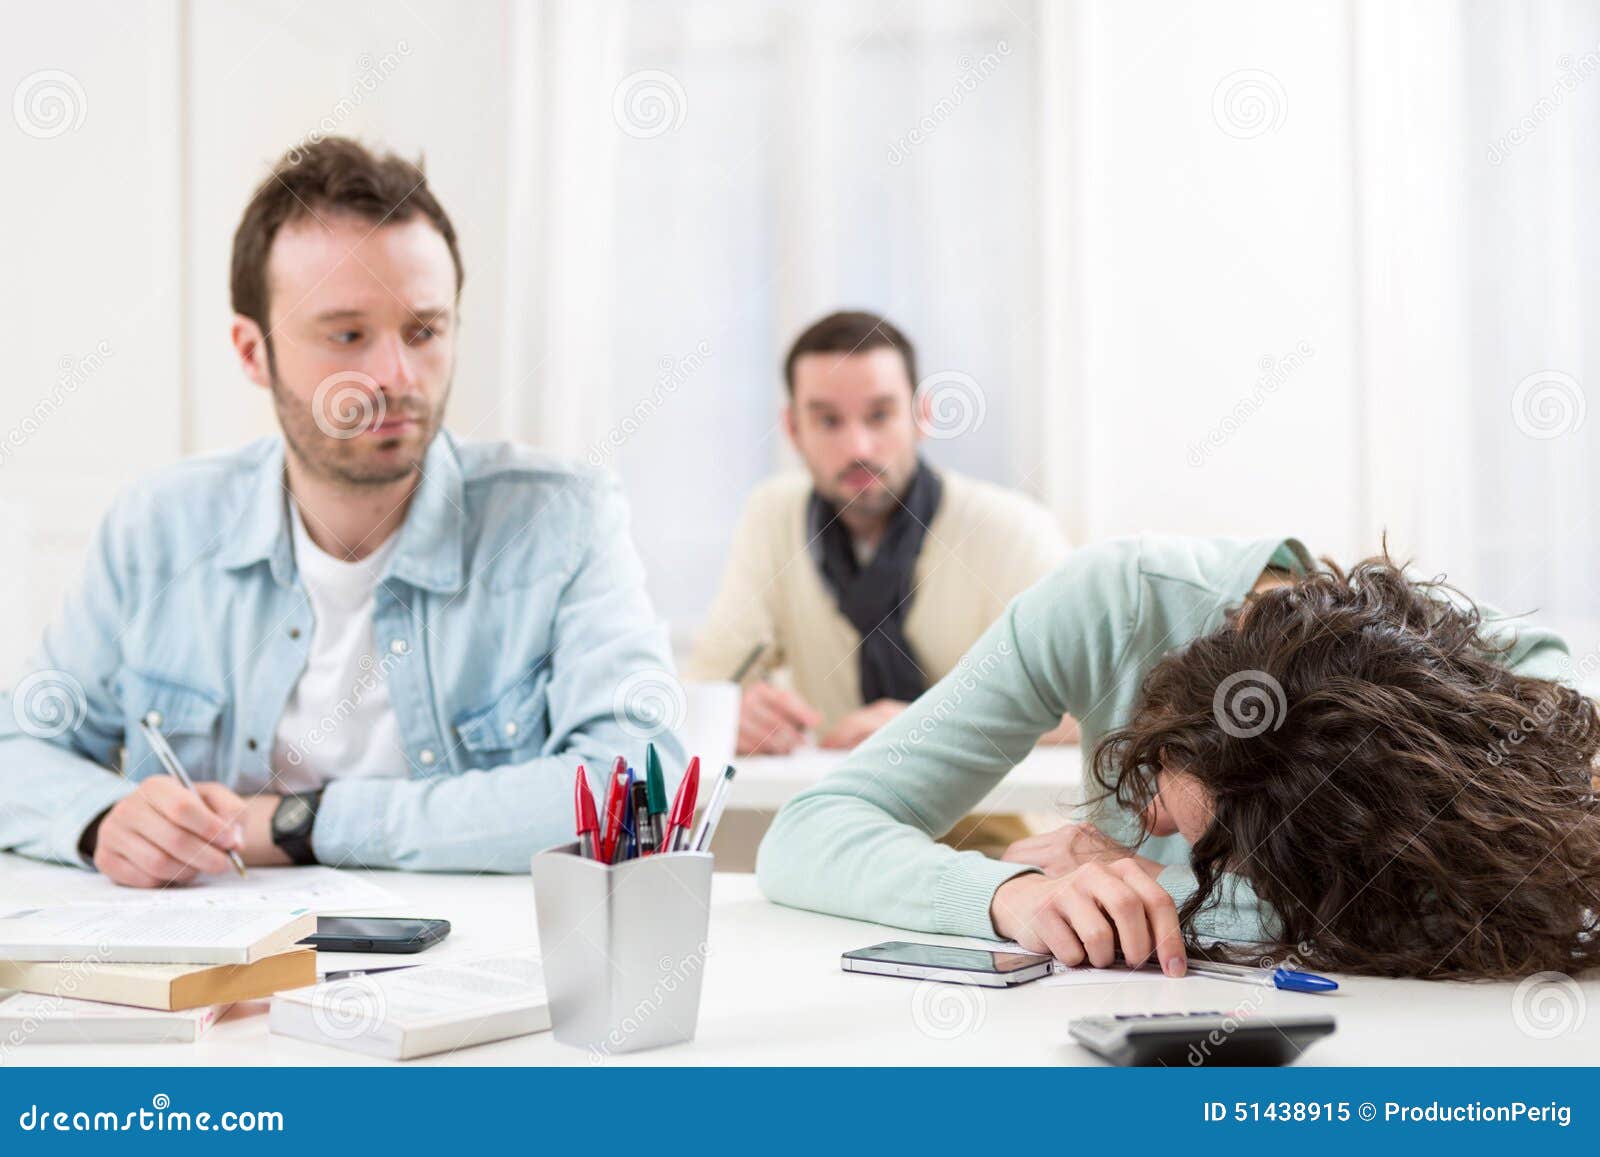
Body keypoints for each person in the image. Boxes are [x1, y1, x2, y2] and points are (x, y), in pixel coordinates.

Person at [0, 137, 683, 887]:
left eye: (425, 329)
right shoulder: (160, 526)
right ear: (252, 351)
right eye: (347, 334)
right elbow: (16, 748)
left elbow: (639, 790)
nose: (396, 375)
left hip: (479, 975)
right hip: (221, 980)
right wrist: (102, 819)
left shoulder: (561, 519)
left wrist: (303, 824)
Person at [757, 535, 1600, 979]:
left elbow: (1550, 912)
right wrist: (1014, 893)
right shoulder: (1108, 603)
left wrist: (1154, 888)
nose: (1146, 822)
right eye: (1159, 775)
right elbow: (811, 829)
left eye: (1215, 852)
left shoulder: (1519, 699)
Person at [685, 310, 1076, 757]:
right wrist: (733, 711)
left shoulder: (1011, 529)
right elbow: (710, 682)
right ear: (794, 429)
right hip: (837, 811)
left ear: (922, 416)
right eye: (829, 421)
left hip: (1000, 823)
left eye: (880, 415)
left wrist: (933, 725)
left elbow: (1091, 706)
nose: (858, 448)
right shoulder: (773, 516)